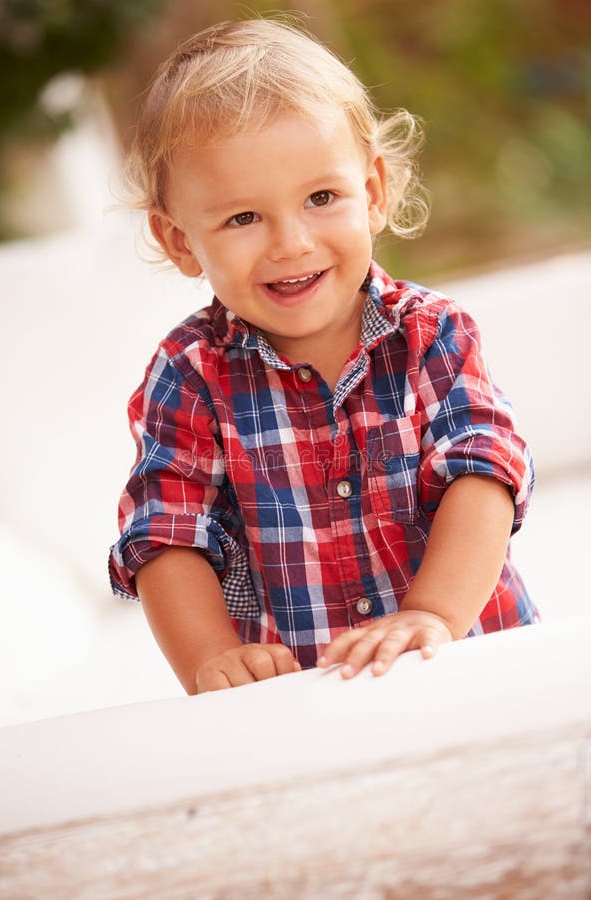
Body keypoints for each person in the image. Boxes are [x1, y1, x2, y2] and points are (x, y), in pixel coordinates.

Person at [109, 18, 537, 694]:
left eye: (320, 198)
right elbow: (166, 533)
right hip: (306, 701)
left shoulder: (431, 334)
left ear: (370, 192)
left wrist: (431, 613)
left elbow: (484, 476)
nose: (292, 243)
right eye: (243, 218)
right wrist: (209, 659)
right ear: (181, 240)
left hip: (469, 660)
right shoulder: (191, 374)